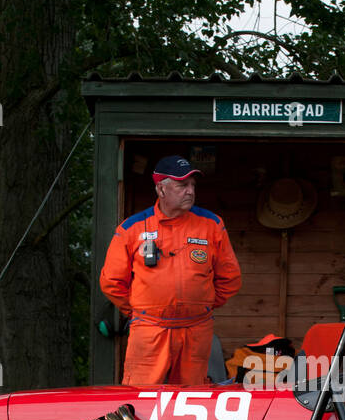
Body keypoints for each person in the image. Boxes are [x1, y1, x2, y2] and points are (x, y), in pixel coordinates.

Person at [100, 155, 242, 385]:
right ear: (161, 189)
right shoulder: (131, 228)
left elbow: (231, 278)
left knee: (192, 398)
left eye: (192, 185)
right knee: (140, 395)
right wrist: (141, 310)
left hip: (196, 330)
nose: (190, 191)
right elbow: (111, 281)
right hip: (149, 330)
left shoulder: (212, 225)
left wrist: (201, 304)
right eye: (182, 185)